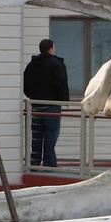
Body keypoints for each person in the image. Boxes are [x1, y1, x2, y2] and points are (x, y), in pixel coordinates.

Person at [23, 38, 69, 167]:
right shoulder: (56, 64)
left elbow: (25, 84)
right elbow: (61, 83)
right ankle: (50, 166)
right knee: (50, 137)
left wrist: (32, 96)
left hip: (36, 106)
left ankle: (34, 164)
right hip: (52, 106)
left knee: (36, 138)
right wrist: (63, 99)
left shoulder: (31, 65)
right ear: (51, 49)